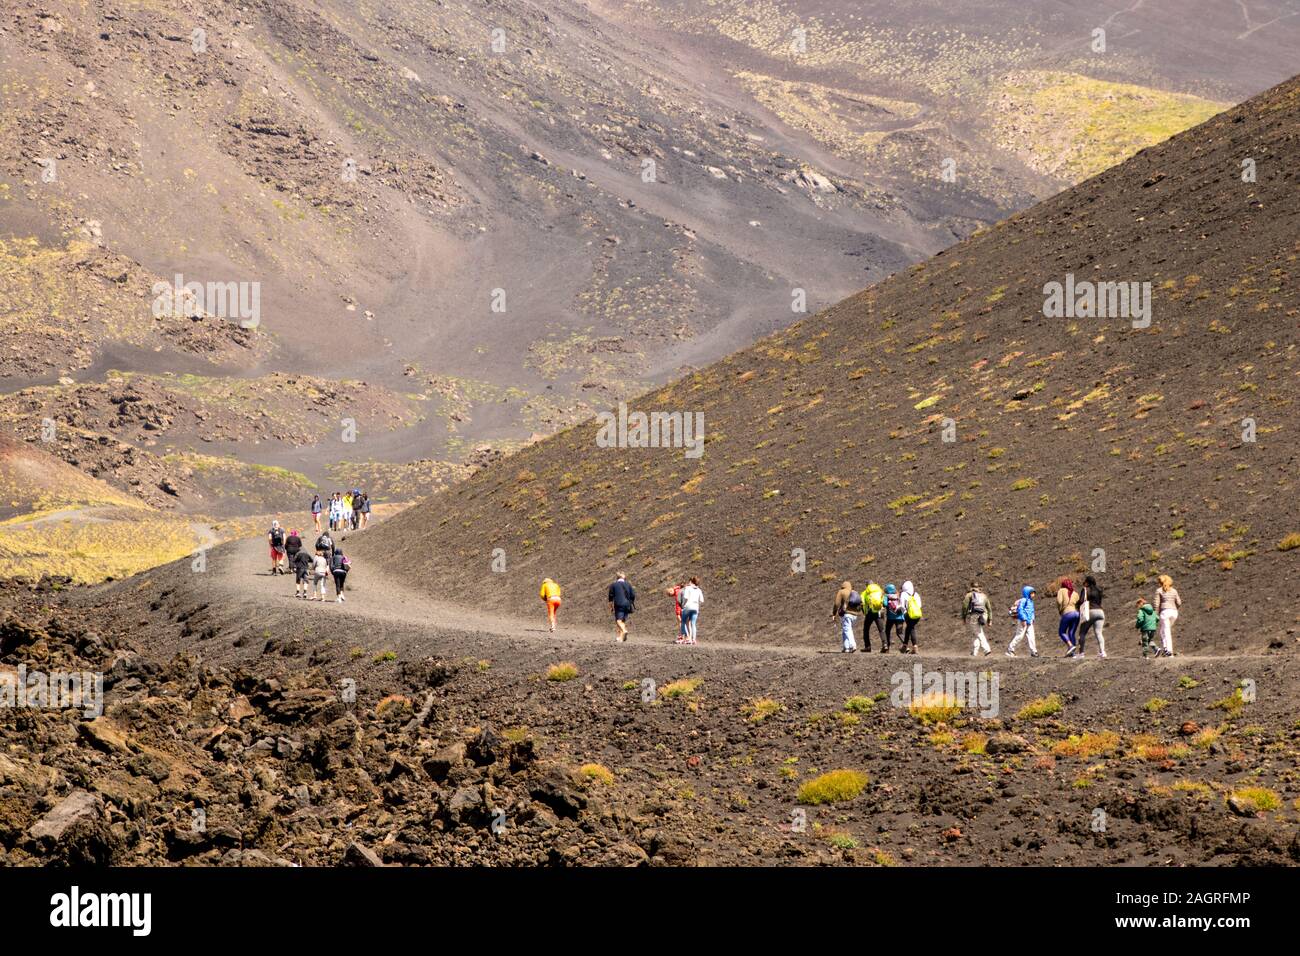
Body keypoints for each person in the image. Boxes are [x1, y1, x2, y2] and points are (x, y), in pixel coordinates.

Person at [1075, 576, 1106, 658]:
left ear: (1087, 582)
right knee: (1099, 633)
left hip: (1090, 611)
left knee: (1082, 632)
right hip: (1100, 612)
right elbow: (1099, 602)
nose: (1084, 584)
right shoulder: (1099, 590)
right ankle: (1102, 652)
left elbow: (1081, 601)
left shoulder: (1085, 589)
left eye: (1084, 582)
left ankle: (1081, 653)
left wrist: (1077, 605)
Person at [1007, 585, 1039, 657]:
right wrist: (1023, 619)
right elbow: (1020, 610)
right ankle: (1010, 649)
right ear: (1027, 593)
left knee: (1031, 636)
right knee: (1019, 636)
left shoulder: (1030, 601)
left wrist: (1032, 618)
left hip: (1029, 621)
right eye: (1031, 593)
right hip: (1023, 621)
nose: (1033, 595)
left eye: (1034, 593)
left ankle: (1034, 651)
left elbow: (1032, 611)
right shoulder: (1024, 600)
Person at [1154, 575, 1182, 657]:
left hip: (1165, 612)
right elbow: (1179, 602)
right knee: (1163, 631)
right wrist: (1174, 608)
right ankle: (1165, 649)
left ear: (1160, 582)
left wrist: (1155, 614)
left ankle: (1169, 652)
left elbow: (1156, 604)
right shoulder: (1174, 590)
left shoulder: (1159, 590)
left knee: (1166, 632)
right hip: (1174, 612)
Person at [963, 582, 991, 656]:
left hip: (975, 616)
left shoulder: (969, 595)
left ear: (971, 587)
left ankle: (986, 649)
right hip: (984, 616)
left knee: (978, 633)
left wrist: (964, 617)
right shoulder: (984, 595)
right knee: (975, 633)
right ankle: (974, 652)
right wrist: (989, 620)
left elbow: (965, 607)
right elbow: (989, 608)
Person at [831, 580, 859, 653]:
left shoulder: (842, 591)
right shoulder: (854, 592)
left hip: (847, 614)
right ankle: (846, 647)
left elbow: (837, 604)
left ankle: (853, 645)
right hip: (855, 615)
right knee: (845, 630)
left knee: (847, 629)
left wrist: (834, 613)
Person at [608, 573, 635, 643]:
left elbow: (610, 597)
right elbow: (633, 595)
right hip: (627, 604)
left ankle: (624, 630)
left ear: (617, 578)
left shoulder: (614, 585)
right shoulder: (628, 584)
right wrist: (630, 603)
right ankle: (621, 637)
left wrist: (611, 607)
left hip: (619, 604)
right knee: (623, 620)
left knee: (618, 621)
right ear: (624, 578)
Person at [1057, 578, 1081, 656]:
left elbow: (1059, 601)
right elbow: (1079, 604)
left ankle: (1070, 646)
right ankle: (1073, 653)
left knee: (1062, 632)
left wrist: (1060, 610)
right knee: (1071, 633)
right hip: (1077, 614)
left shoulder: (1061, 590)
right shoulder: (1075, 593)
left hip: (1067, 613)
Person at [861, 580, 885, 652]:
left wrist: (864, 612)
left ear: (867, 586)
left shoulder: (865, 592)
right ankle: (885, 645)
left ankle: (868, 647)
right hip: (879, 612)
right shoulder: (879, 590)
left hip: (870, 612)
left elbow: (862, 603)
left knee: (866, 629)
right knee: (881, 629)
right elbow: (883, 600)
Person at [679, 577, 703, 645]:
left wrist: (683, 605)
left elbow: (686, 598)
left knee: (683, 622)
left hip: (688, 606)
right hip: (695, 608)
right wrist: (697, 606)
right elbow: (701, 600)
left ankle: (688, 638)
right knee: (693, 624)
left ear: (691, 581)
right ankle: (694, 639)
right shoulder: (699, 590)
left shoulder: (688, 588)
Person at [900, 580, 922, 654]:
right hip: (917, 615)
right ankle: (905, 645)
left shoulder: (903, 594)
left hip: (909, 614)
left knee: (911, 628)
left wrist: (905, 614)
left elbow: (902, 606)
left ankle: (915, 647)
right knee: (909, 628)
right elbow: (919, 605)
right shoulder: (916, 594)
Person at [883, 583, 905, 653]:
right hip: (900, 616)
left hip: (891, 617)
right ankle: (906, 646)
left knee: (887, 631)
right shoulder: (898, 595)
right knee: (900, 633)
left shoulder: (886, 596)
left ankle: (887, 648)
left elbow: (885, 604)